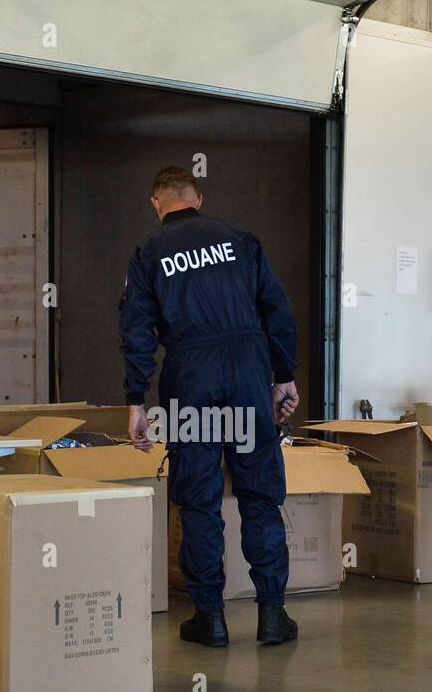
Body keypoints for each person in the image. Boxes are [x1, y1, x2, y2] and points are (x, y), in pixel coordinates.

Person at [119, 166, 300, 648]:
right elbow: (276, 309)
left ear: (157, 204)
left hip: (190, 377)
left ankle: (210, 618)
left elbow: (136, 328)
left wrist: (136, 399)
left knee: (198, 498)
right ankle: (272, 615)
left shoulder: (149, 252)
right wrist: (282, 376)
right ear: (197, 199)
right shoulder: (240, 239)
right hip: (248, 371)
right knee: (260, 493)